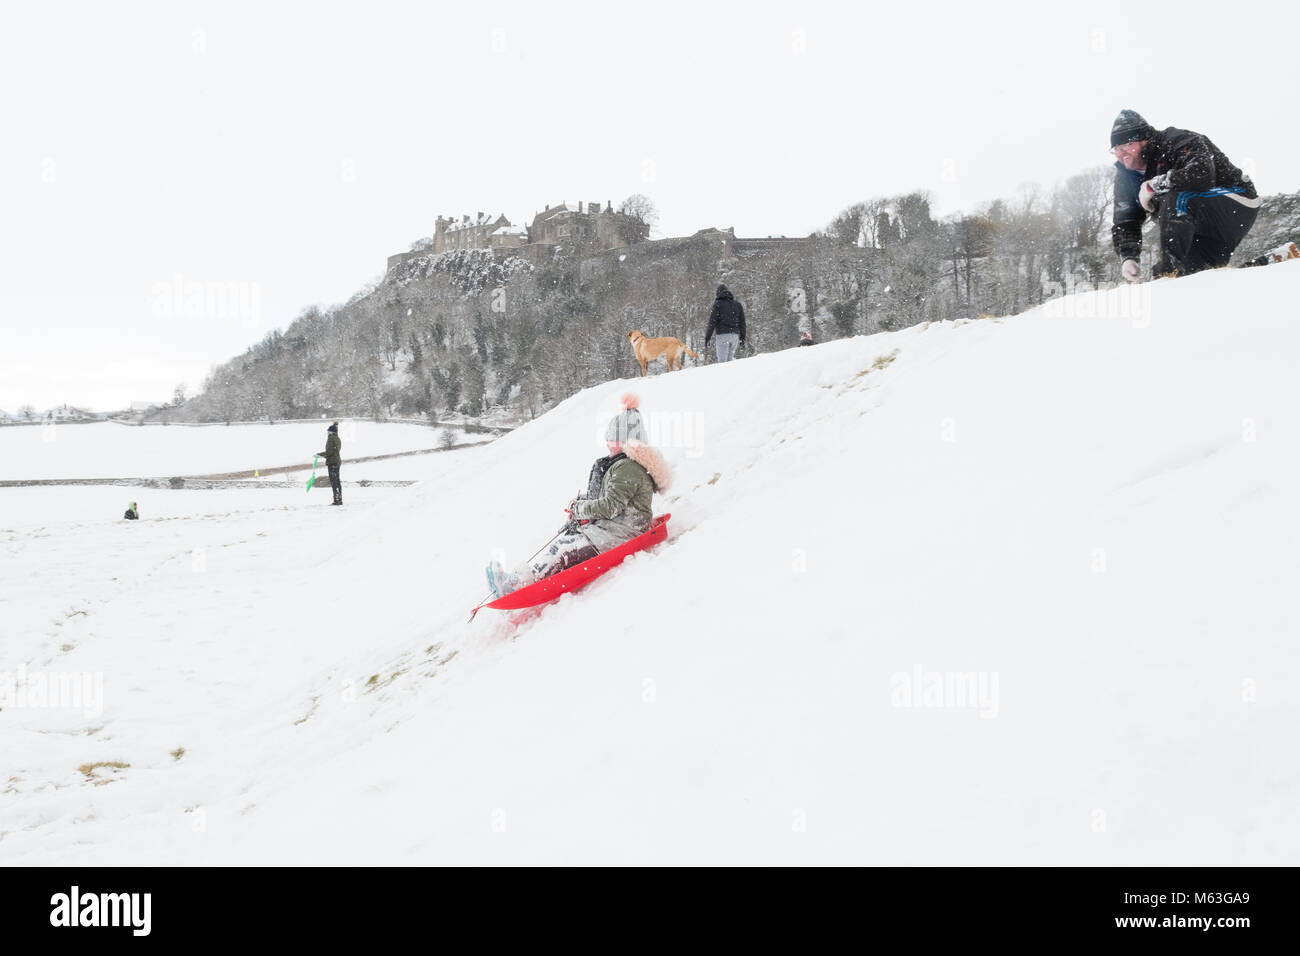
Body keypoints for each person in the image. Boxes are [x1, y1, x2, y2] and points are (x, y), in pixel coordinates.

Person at [486, 394, 670, 597]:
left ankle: (518, 586)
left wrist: (579, 509)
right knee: (565, 543)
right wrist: (583, 504)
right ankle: (519, 579)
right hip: (611, 530)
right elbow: (609, 500)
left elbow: (610, 506)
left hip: (621, 534)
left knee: (565, 550)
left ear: (629, 443)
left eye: (613, 440)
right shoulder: (623, 464)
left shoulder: (628, 468)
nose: (608, 444)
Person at [1110, 109, 1261, 281]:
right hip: (1198, 227)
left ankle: (1167, 272)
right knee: (1194, 277)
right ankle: (1268, 263)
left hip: (1237, 203)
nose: (1121, 154)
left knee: (1177, 195)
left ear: (1144, 140)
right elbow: (1125, 220)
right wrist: (1128, 257)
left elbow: (1202, 173)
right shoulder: (1126, 176)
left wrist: (1154, 185)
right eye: (1116, 149)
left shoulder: (1177, 141)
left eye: (1126, 146)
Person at [704, 284, 746, 362]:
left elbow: (712, 322)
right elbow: (742, 323)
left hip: (722, 335)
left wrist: (707, 338)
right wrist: (743, 339)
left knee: (722, 363)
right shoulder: (737, 305)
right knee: (729, 363)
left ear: (718, 294)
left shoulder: (718, 304)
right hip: (734, 336)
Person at [319, 421, 343, 505]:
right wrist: (335, 425)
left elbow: (329, 452)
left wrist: (320, 455)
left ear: (330, 432)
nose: (327, 433)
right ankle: (339, 498)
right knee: (337, 480)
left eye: (328, 431)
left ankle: (336, 499)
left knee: (334, 481)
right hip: (337, 461)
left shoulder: (330, 439)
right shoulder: (337, 438)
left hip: (332, 462)